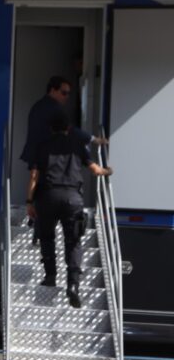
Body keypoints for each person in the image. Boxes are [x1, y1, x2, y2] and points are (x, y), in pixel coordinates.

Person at [26, 112, 114, 307]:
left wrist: (29, 202)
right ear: (68, 128)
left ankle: (50, 276)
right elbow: (95, 171)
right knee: (73, 241)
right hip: (73, 199)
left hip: (47, 197)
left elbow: (34, 176)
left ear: (51, 128)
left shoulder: (42, 146)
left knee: (47, 237)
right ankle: (73, 285)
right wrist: (109, 171)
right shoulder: (78, 146)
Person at [19, 75, 105, 169]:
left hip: (36, 155)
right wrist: (93, 139)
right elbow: (70, 130)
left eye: (68, 93)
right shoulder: (54, 108)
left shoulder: (38, 105)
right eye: (64, 93)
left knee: (36, 182)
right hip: (47, 157)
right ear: (52, 91)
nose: (67, 97)